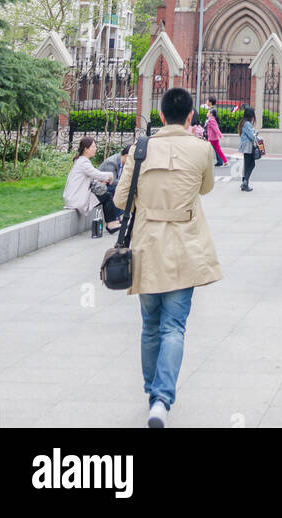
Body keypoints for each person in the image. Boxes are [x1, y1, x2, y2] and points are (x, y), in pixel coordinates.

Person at [114, 86, 221, 429]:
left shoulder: (141, 149)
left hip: (147, 247)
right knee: (174, 326)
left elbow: (120, 200)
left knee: (150, 326)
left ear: (160, 115)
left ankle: (152, 396)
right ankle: (162, 400)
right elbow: (205, 189)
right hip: (185, 248)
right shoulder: (202, 149)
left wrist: (147, 204)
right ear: (191, 115)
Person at [63, 136, 122, 233]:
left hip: (74, 197)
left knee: (106, 194)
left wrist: (102, 180)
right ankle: (111, 224)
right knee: (107, 196)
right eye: (93, 147)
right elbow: (97, 174)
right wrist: (110, 176)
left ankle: (112, 222)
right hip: (77, 199)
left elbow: (93, 177)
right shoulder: (83, 163)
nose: (95, 149)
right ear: (86, 149)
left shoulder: (82, 161)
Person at [238, 107, 259, 191]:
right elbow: (251, 136)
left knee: (247, 164)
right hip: (248, 146)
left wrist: (253, 132)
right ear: (251, 115)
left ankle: (244, 182)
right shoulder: (247, 124)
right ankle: (245, 182)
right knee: (251, 164)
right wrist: (255, 134)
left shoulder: (245, 123)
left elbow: (250, 132)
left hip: (246, 145)